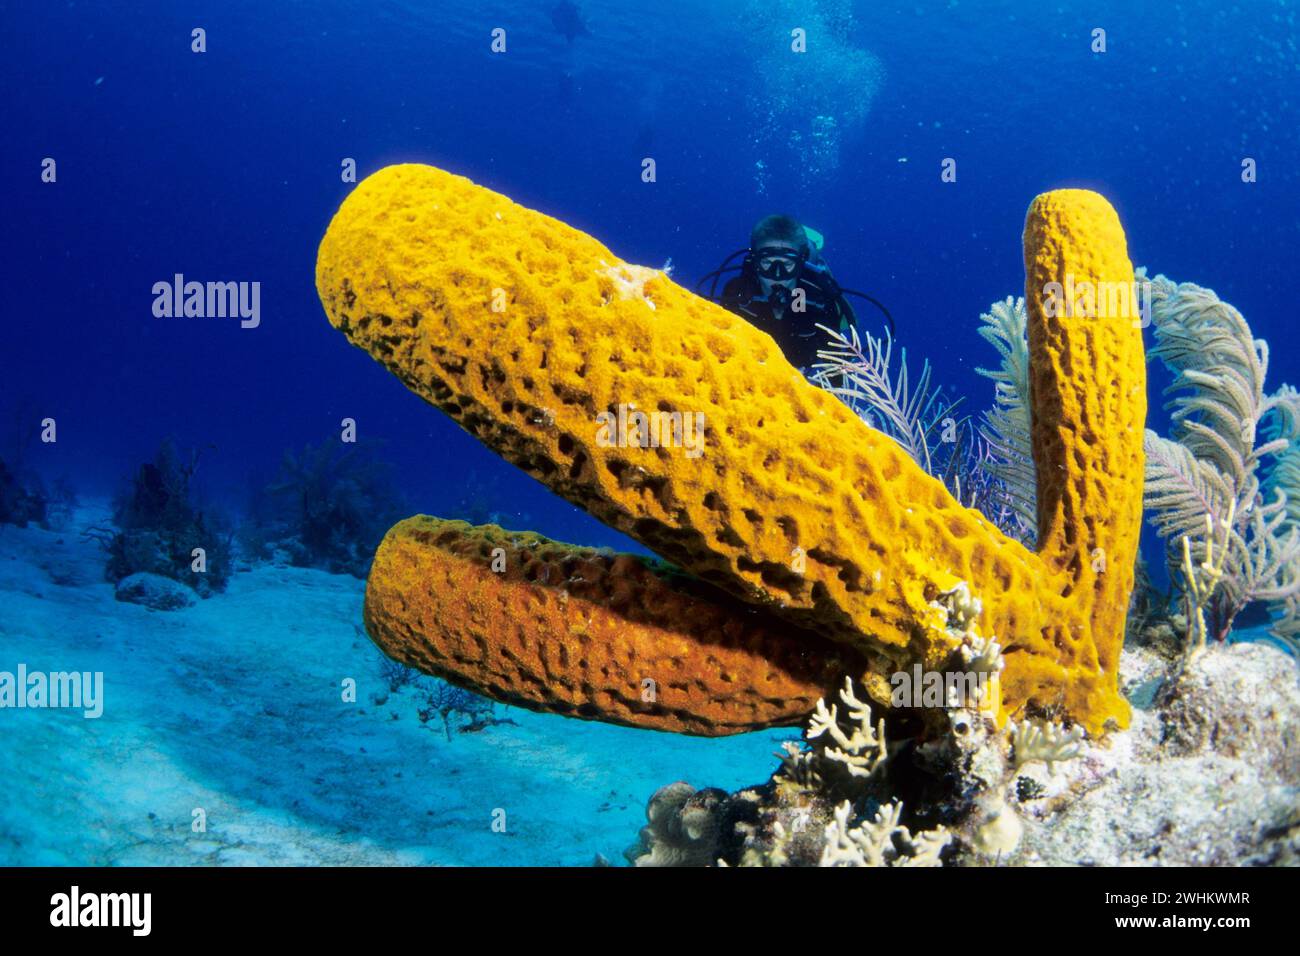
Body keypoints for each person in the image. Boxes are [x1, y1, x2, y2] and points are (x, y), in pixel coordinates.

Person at [718, 214, 858, 372]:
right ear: (755, 261)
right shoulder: (737, 293)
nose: (777, 275)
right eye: (768, 263)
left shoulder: (818, 300)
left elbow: (834, 362)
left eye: (787, 264)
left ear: (800, 263)